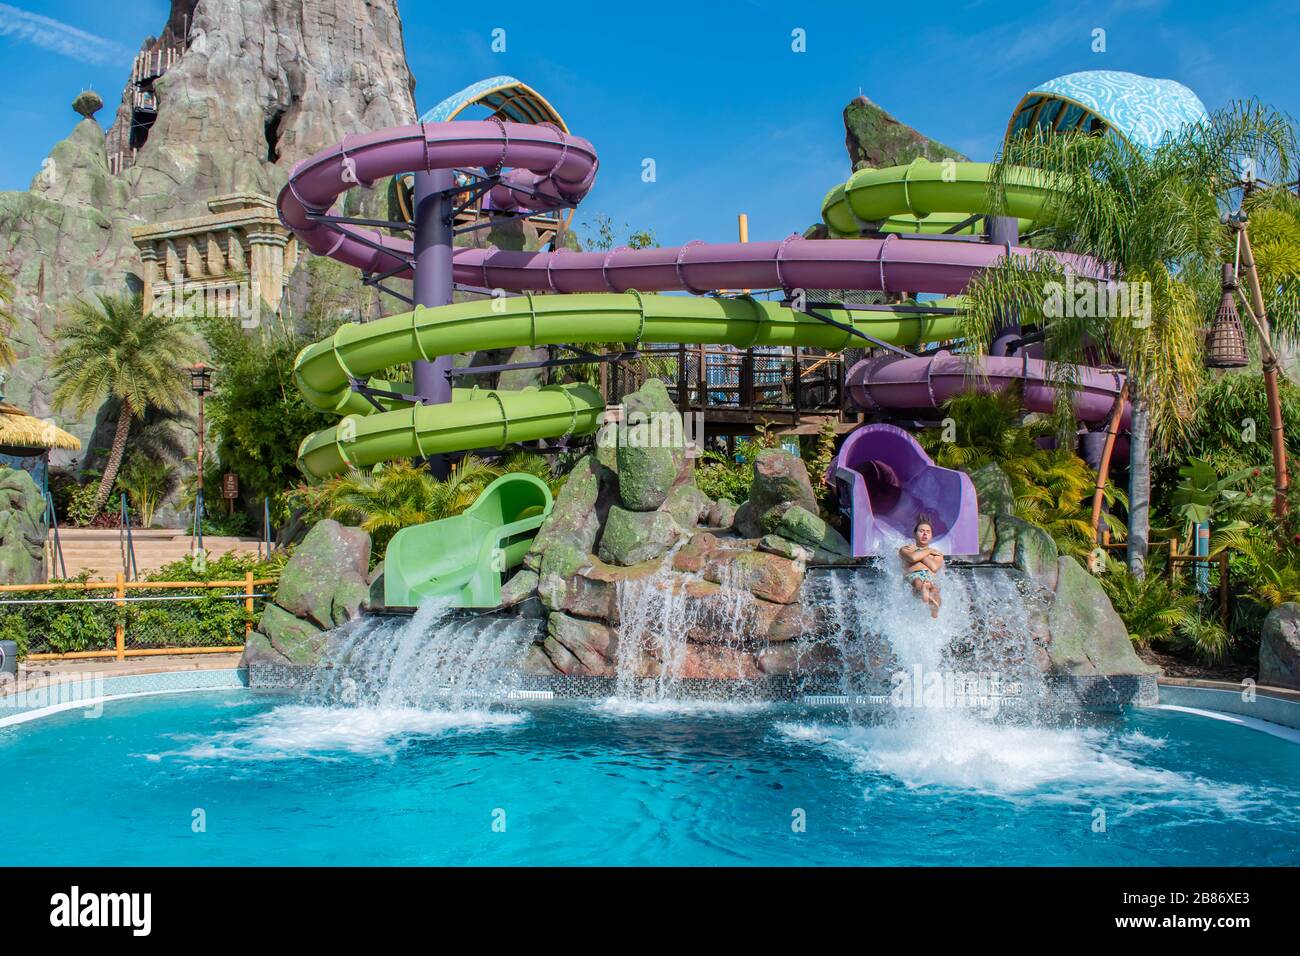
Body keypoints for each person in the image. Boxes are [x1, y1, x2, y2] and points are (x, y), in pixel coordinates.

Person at [899, 518, 944, 618]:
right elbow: (912, 557)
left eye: (928, 532)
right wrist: (927, 551)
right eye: (921, 531)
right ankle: (924, 589)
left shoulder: (937, 554)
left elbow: (934, 567)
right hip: (913, 576)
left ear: (931, 536)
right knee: (917, 582)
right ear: (915, 534)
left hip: (930, 577)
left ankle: (934, 609)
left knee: (935, 590)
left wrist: (919, 552)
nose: (925, 534)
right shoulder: (905, 549)